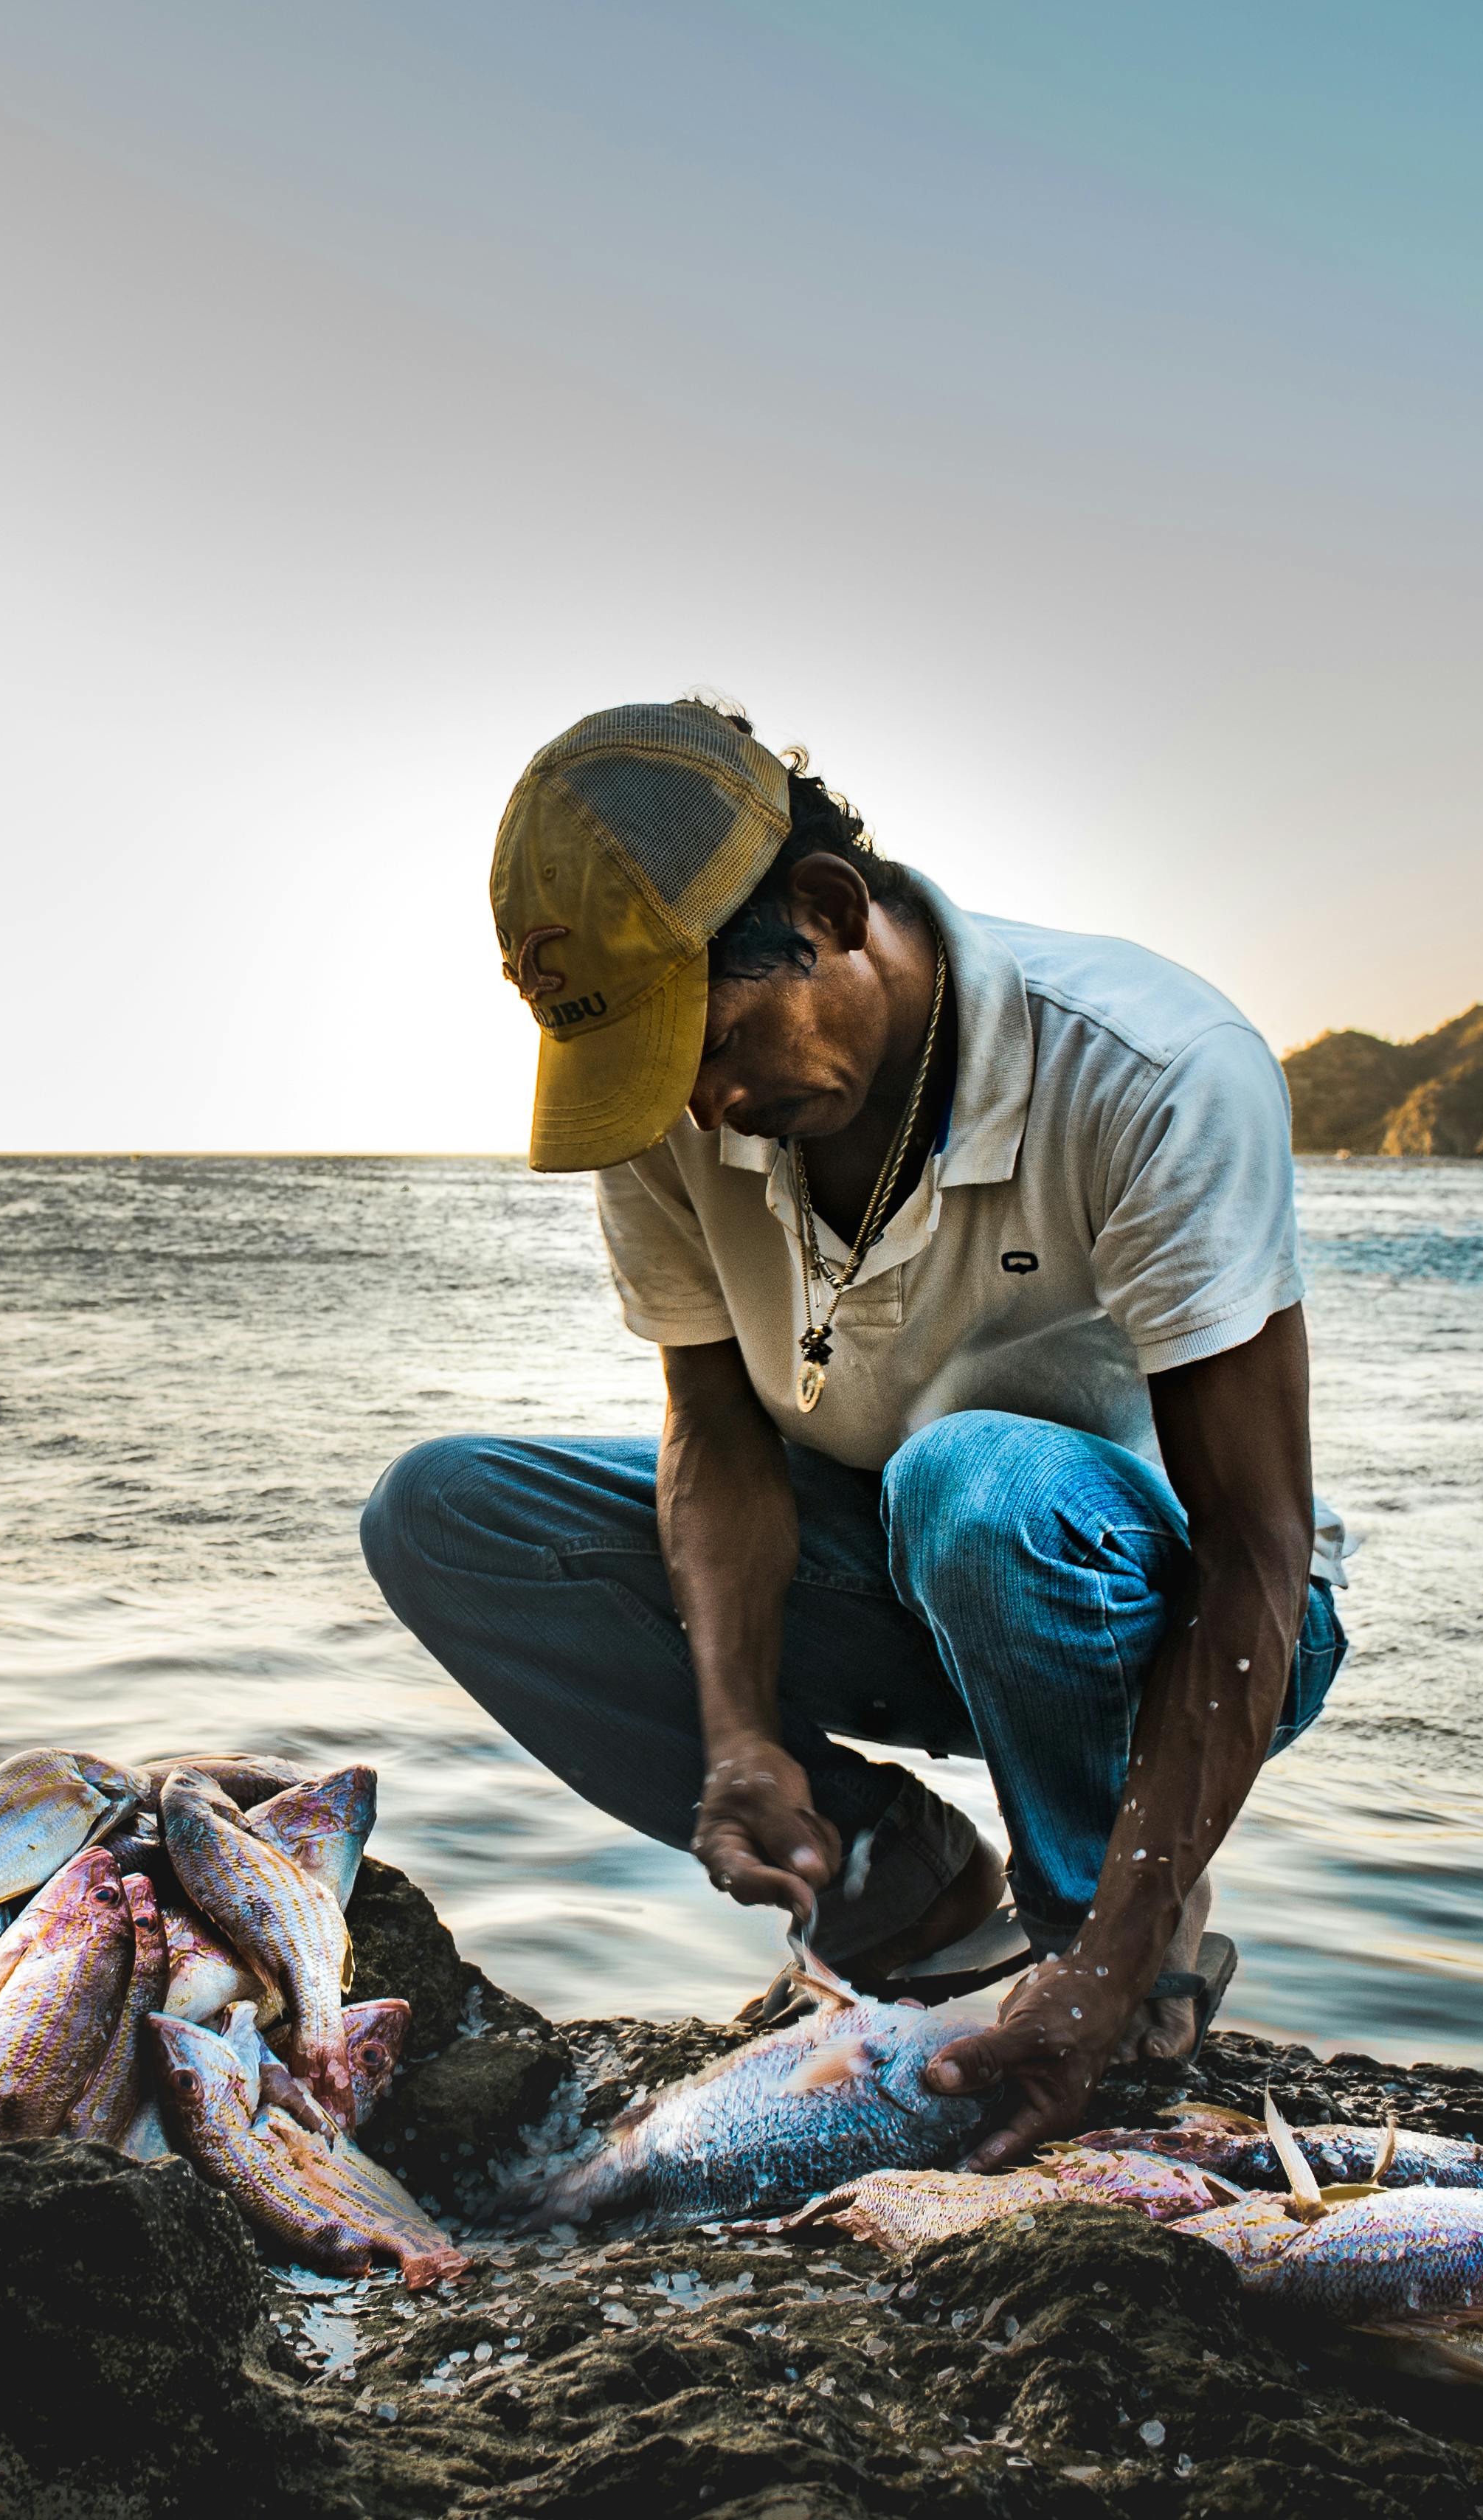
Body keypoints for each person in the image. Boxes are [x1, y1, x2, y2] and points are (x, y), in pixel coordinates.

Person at [362, 698, 1350, 2168]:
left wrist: (1112, 1955)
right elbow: (713, 1437)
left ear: (828, 914)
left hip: (1165, 1622)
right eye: (653, 1066)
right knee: (443, 1514)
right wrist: (739, 1730)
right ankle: (912, 1894)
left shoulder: (1148, 1069)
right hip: (887, 1569)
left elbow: (1259, 1553)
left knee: (979, 1481)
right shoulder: (685, 1115)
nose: (703, 1101)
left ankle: (1105, 1952)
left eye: (712, 1036)